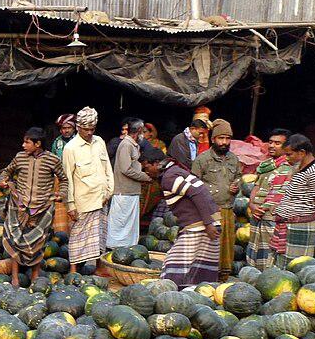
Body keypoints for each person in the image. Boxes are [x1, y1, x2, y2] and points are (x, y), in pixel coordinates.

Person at [0, 126, 68, 286]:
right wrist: (2, 181)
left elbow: (63, 179)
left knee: (38, 243)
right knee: (16, 241)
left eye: (27, 142)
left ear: (37, 144)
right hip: (19, 206)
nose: (23, 145)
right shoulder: (20, 157)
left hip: (42, 207)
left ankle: (35, 277)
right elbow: (6, 171)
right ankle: (15, 278)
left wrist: (61, 194)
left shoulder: (52, 160)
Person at [139, 148, 220, 286]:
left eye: (146, 167)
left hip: (200, 225)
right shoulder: (174, 170)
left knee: (173, 263)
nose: (145, 172)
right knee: (201, 264)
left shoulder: (168, 178)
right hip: (206, 221)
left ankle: (172, 294)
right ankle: (200, 293)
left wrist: (208, 223)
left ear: (156, 163)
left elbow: (198, 192)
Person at [62, 106, 113, 273]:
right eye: (86, 129)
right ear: (78, 127)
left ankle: (99, 266)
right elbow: (67, 178)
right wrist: (70, 205)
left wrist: (109, 191)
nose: (90, 132)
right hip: (82, 200)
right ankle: (73, 270)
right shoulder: (71, 148)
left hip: (101, 197)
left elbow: (107, 169)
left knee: (100, 235)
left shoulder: (100, 142)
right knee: (77, 236)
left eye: (92, 129)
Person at [192, 119, 241, 279]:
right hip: (211, 211)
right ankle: (204, 277)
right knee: (209, 245)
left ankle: (223, 277)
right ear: (213, 139)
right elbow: (193, 185)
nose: (224, 142)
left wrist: (236, 186)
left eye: (228, 138)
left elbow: (238, 177)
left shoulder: (233, 159)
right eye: (221, 138)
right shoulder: (202, 159)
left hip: (228, 209)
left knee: (226, 246)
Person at [246, 131, 297, 269]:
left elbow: (283, 194)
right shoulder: (265, 165)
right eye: (271, 142)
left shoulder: (290, 168)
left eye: (277, 143)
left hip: (272, 217)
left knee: (270, 255)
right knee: (254, 252)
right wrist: (251, 205)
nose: (272, 145)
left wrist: (264, 209)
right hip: (256, 216)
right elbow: (256, 187)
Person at [271, 134, 315, 268]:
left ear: (302, 152)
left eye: (289, 154)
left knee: (296, 268)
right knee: (282, 266)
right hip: (288, 226)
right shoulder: (299, 168)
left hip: (301, 226)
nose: (286, 158)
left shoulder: (314, 172)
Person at [107, 118, 151, 249]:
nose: (143, 134)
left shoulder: (132, 144)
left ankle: (125, 252)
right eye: (142, 131)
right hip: (124, 192)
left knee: (127, 227)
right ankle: (113, 252)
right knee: (119, 227)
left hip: (130, 191)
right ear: (138, 131)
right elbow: (125, 169)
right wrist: (144, 176)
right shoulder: (126, 145)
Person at [50, 113, 76, 232]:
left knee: (74, 206)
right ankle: (61, 234)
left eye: (68, 128)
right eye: (63, 128)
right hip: (60, 180)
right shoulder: (57, 143)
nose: (66, 131)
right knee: (61, 206)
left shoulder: (78, 141)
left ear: (74, 128)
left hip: (76, 179)